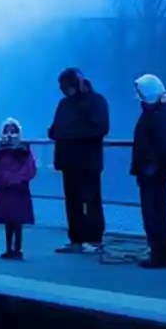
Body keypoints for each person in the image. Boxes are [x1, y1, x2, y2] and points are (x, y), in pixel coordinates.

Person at [48, 67, 109, 254]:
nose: (64, 90)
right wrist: (61, 134)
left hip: (88, 161)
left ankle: (94, 239)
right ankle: (76, 239)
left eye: (65, 86)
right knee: (72, 202)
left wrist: (67, 134)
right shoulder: (64, 104)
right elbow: (54, 129)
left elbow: (101, 129)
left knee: (91, 201)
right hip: (69, 161)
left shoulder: (97, 102)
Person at [130, 74, 166, 269]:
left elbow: (164, 145)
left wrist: (153, 166)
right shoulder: (162, 112)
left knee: (154, 213)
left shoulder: (159, 115)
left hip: (153, 172)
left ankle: (160, 255)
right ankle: (159, 253)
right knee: (155, 212)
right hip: (153, 170)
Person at [0, 118, 37, 259]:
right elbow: (30, 169)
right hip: (16, 188)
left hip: (11, 188)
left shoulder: (5, 151)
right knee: (12, 221)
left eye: (13, 131)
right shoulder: (21, 150)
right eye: (7, 131)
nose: (10, 134)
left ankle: (15, 249)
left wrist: (6, 179)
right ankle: (13, 249)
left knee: (14, 221)